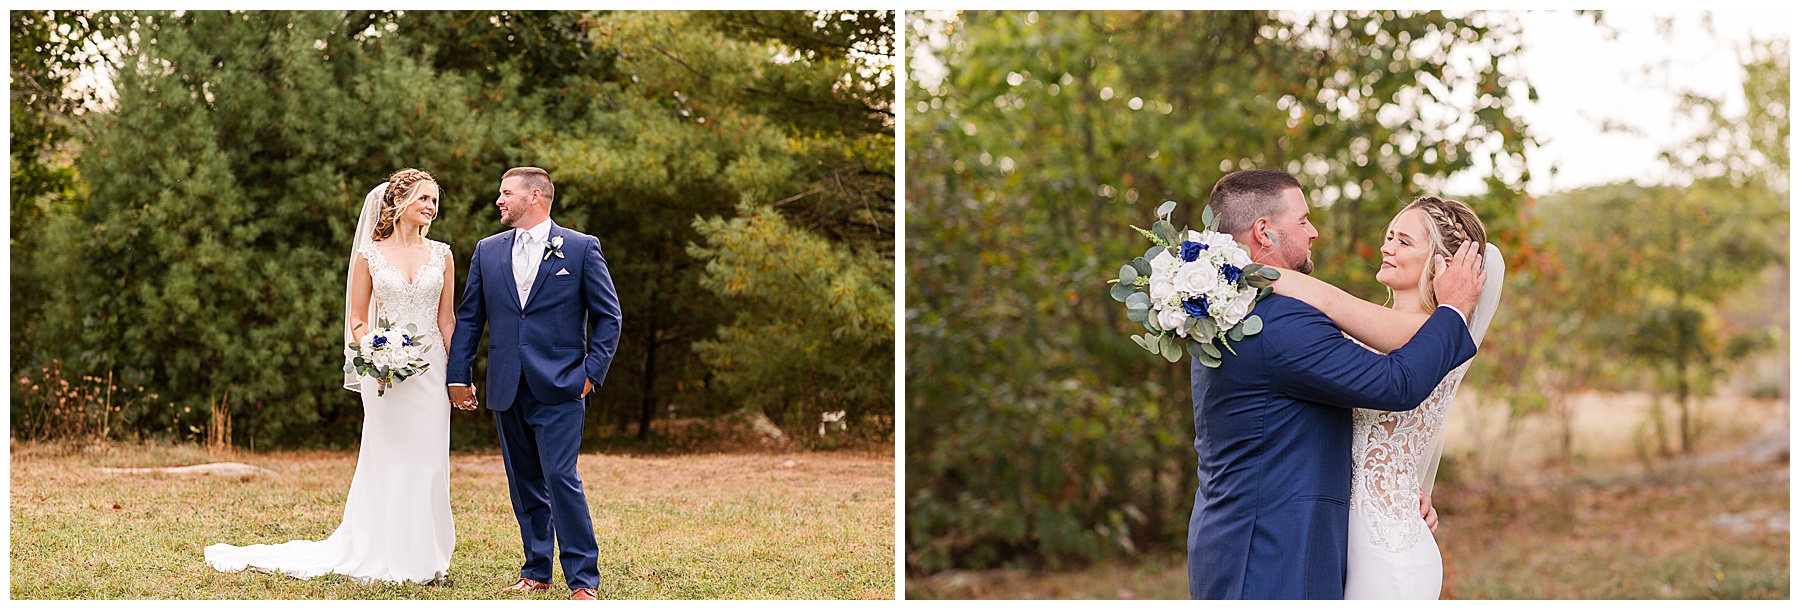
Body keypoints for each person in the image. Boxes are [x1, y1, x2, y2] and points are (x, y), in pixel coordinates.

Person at [1185, 170, 1485, 599]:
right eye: (1303, 219)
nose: (1314, 231)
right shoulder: (1279, 321)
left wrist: (1392, 487)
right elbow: (1395, 384)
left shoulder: (1236, 309)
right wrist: (1453, 310)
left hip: (1319, 543)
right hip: (1270, 556)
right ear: (1264, 232)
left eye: (1405, 240)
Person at [205, 168, 457, 584]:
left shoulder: (443, 254)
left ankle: (426, 558)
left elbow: (446, 319)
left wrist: (456, 374)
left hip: (431, 371)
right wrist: (377, 354)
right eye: (424, 198)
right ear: (398, 203)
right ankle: (383, 552)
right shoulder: (370, 255)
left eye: (434, 200)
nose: (431, 206)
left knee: (429, 463)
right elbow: (358, 320)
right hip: (384, 377)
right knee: (389, 462)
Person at [1269, 196, 1505, 599]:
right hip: (1350, 539)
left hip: (1388, 549)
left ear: (1440, 264)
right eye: (1389, 236)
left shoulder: (1433, 336)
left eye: (1404, 241)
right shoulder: (1386, 332)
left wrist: (1238, 269)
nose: (1387, 247)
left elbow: (1329, 302)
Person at [446, 166, 621, 601]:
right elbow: (470, 318)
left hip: (562, 385)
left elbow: (608, 317)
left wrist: (590, 374)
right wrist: (458, 376)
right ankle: (536, 570)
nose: (499, 200)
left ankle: (583, 580)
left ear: (535, 197)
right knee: (523, 484)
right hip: (507, 385)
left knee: (560, 478)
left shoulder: (580, 249)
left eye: (507, 193)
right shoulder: (488, 251)